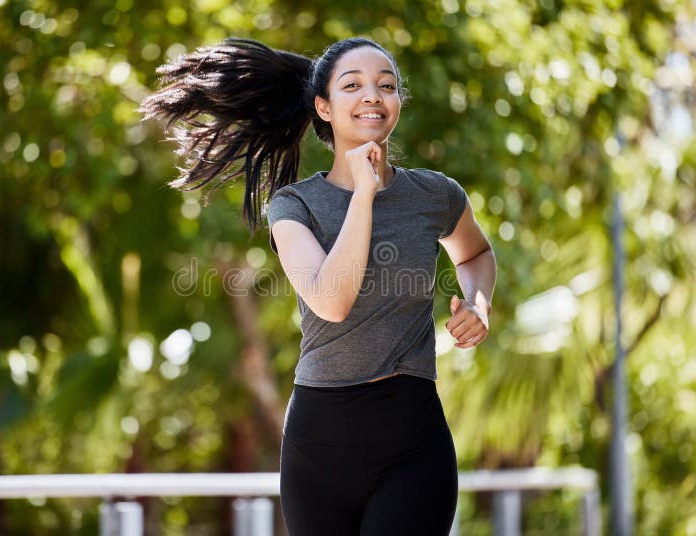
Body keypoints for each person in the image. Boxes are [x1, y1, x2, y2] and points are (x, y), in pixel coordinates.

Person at [139, 36, 496, 536]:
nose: (372, 95)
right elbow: (332, 300)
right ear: (323, 107)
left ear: (397, 103)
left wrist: (479, 305)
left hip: (413, 440)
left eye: (386, 85)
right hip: (320, 444)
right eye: (353, 85)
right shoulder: (293, 206)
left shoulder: (434, 194)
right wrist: (364, 196)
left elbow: (476, 253)